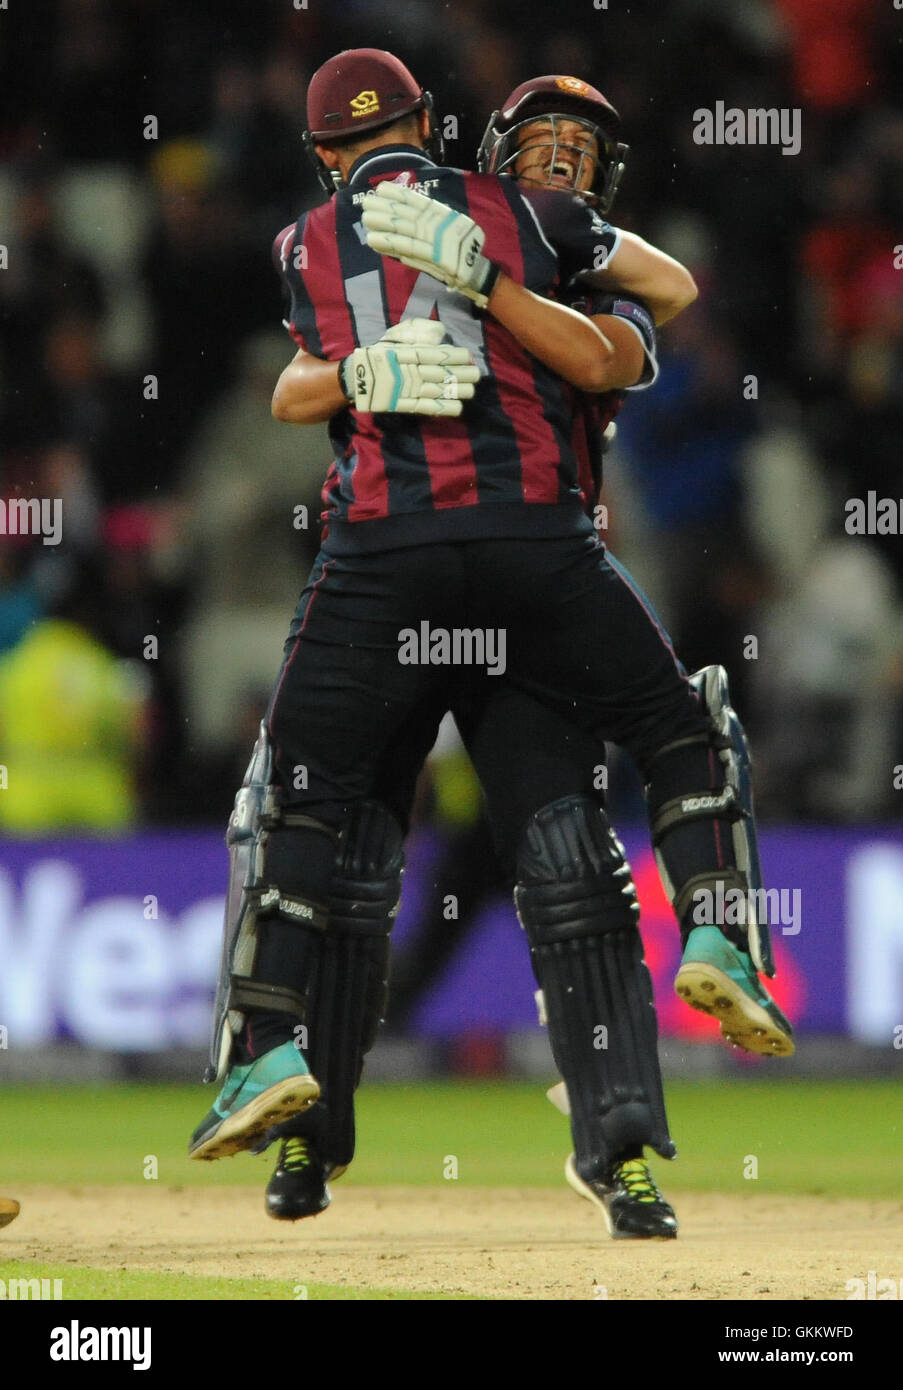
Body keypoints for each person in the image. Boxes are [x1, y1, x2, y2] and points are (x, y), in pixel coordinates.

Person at [189, 51, 788, 1244]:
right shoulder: (499, 214)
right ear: (472, 141)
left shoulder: (517, 243)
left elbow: (611, 351)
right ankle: (309, 1133)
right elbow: (297, 388)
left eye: (581, 153)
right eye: (545, 145)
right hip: (517, 570)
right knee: (356, 863)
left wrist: (487, 289)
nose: (561, 162)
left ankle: (617, 1149)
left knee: (559, 872)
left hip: (464, 579)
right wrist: (375, 353)